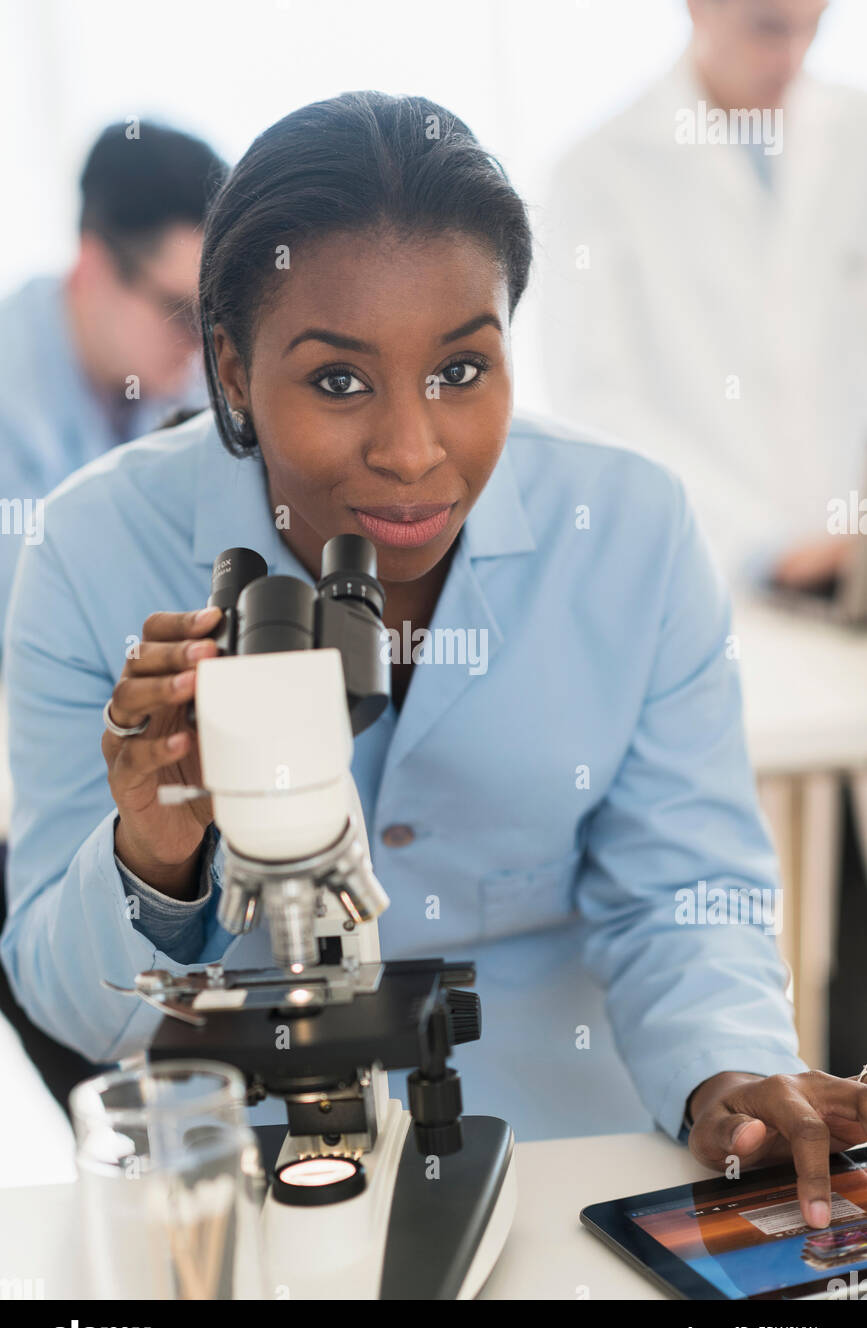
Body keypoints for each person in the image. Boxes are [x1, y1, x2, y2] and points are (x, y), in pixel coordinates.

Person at [3, 92, 866, 1229]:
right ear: (227, 366)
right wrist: (154, 853)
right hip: (252, 1181)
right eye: (339, 380)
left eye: (462, 370)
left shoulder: (632, 530)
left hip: (576, 1161)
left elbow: (681, 890)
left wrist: (724, 1071)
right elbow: (73, 1010)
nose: (413, 452)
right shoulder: (91, 551)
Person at [540, 0, 867, 585]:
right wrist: (764, 550)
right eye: (769, 29)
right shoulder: (598, 175)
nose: (792, 59)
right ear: (699, 8)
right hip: (716, 574)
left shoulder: (854, 136)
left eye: (812, 29)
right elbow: (597, 409)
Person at [0, 119, 227, 642]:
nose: (202, 349)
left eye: (214, 319)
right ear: (92, 265)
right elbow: (49, 619)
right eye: (180, 311)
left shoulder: (182, 378)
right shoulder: (13, 397)